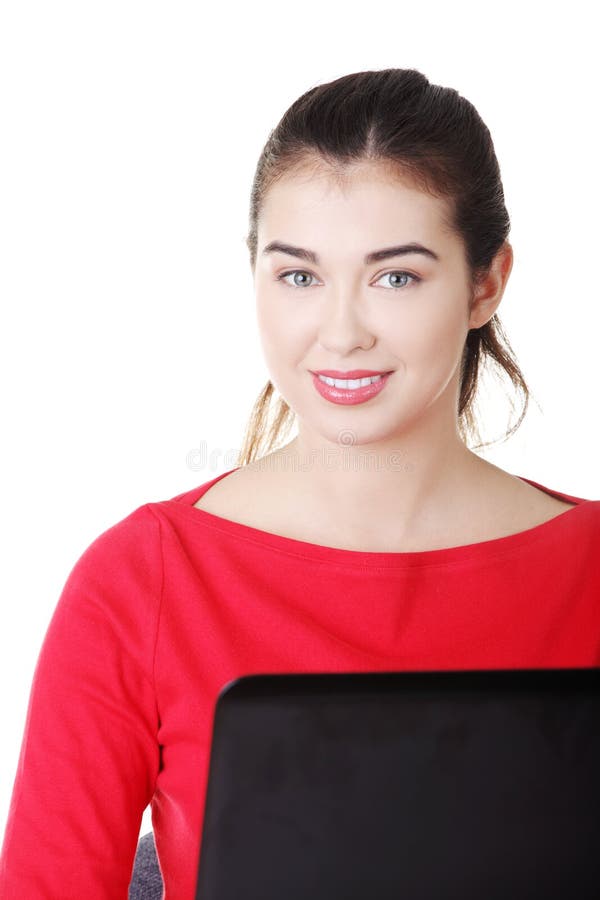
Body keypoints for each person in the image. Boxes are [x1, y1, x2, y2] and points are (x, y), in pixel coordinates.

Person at [1, 66, 598, 899]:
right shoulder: (143, 580)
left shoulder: (587, 569)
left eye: (396, 276)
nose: (341, 333)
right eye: (300, 276)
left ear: (485, 283)